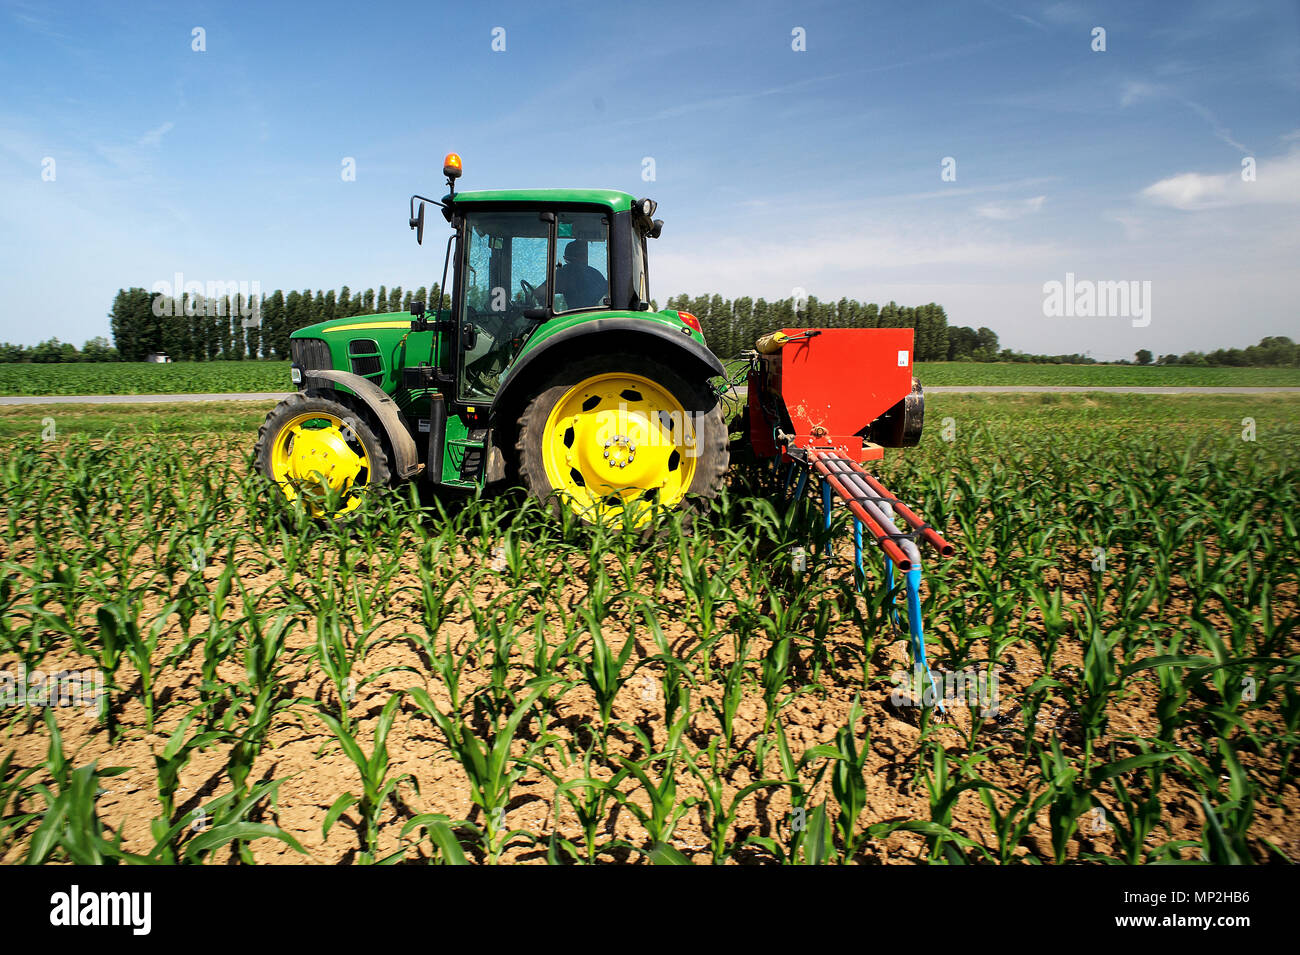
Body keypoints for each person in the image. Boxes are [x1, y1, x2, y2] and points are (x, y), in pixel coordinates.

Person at [551, 240, 607, 309]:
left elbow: (541, 292)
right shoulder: (596, 274)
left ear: (565, 258)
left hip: (571, 315)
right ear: (584, 256)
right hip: (595, 315)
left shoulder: (564, 272)